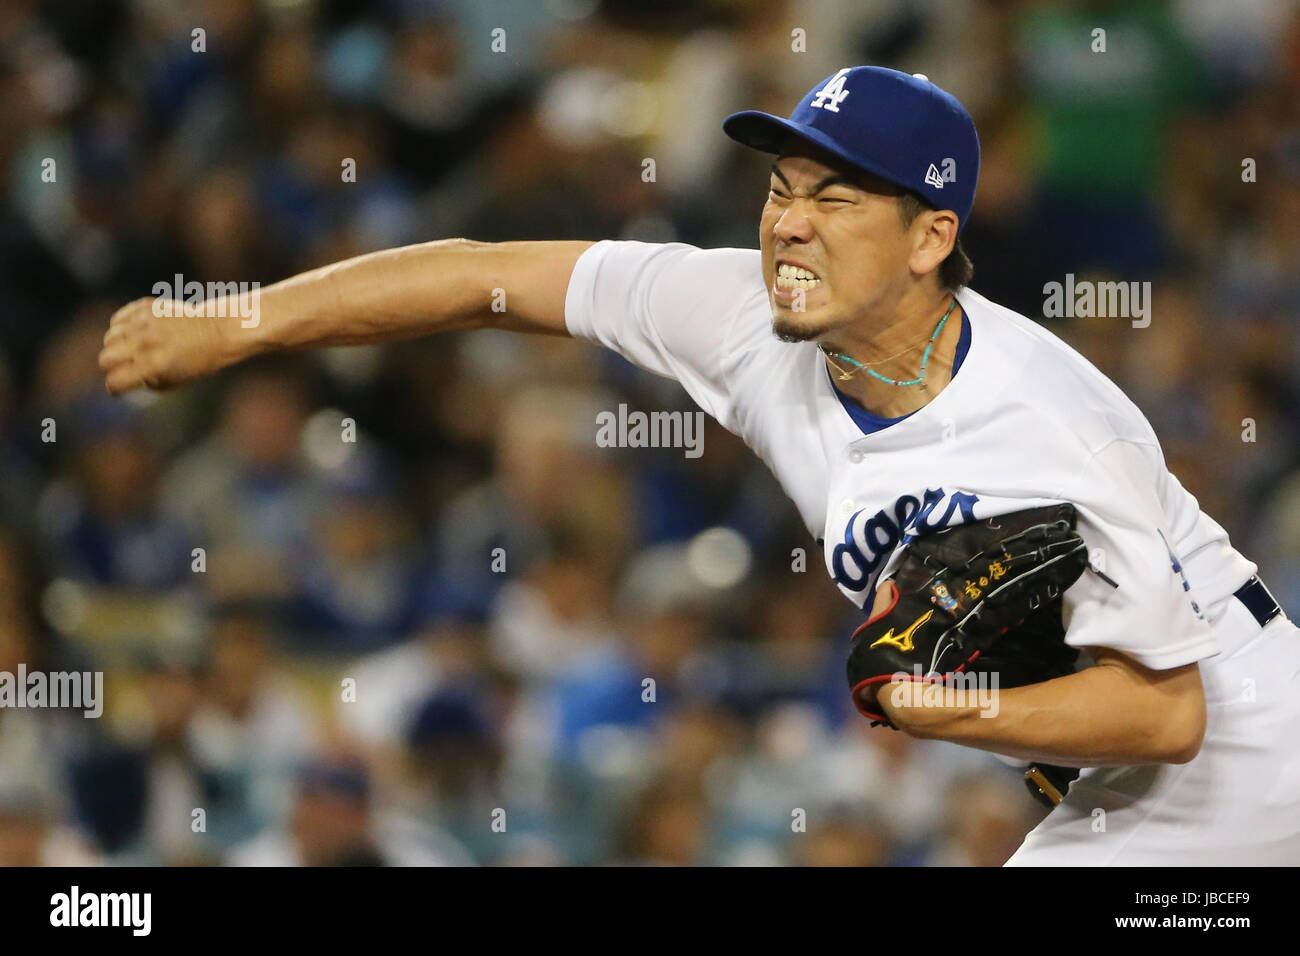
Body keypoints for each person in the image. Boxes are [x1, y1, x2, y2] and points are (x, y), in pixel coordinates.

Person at [99, 66, 1300, 865]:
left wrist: (960, 709)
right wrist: (241, 319)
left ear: (933, 235)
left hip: (1241, 747)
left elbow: (1166, 711)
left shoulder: (1046, 428)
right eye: (781, 189)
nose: (787, 223)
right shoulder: (733, 310)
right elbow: (481, 274)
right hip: (1124, 777)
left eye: (835, 197)